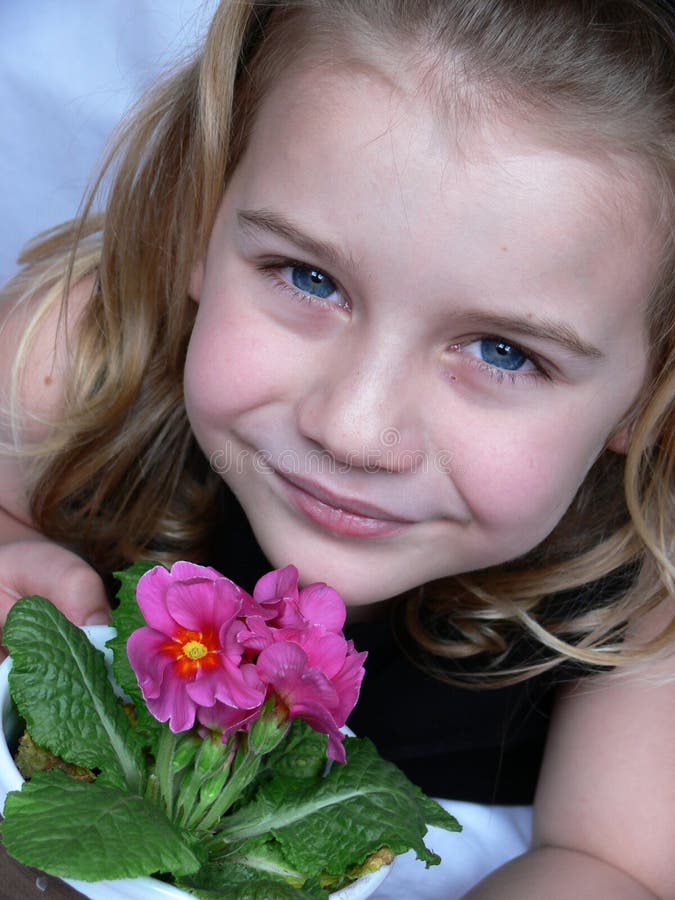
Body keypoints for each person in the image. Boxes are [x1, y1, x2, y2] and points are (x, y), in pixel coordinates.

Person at [0, 1, 672, 897]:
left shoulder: (645, 574)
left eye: (503, 351)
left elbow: (613, 862)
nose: (352, 430)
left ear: (652, 384)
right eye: (308, 277)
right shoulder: (85, 349)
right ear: (203, 217)